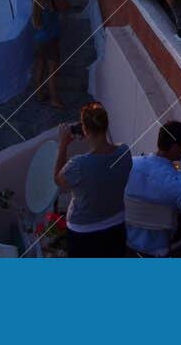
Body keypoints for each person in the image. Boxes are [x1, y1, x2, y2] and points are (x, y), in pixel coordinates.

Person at [54, 102, 131, 256]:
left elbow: (58, 179)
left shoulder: (79, 164)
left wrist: (63, 146)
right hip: (116, 224)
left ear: (85, 130)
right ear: (106, 125)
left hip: (84, 232)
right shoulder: (124, 152)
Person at [124, 121, 181, 256]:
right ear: (174, 147)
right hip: (158, 248)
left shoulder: (130, 164)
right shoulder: (179, 182)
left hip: (128, 240)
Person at [30, 0, 70, 109]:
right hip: (51, 42)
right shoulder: (50, 3)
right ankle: (54, 99)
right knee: (52, 72)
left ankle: (39, 94)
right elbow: (66, 6)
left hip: (39, 41)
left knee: (40, 68)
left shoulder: (37, 4)